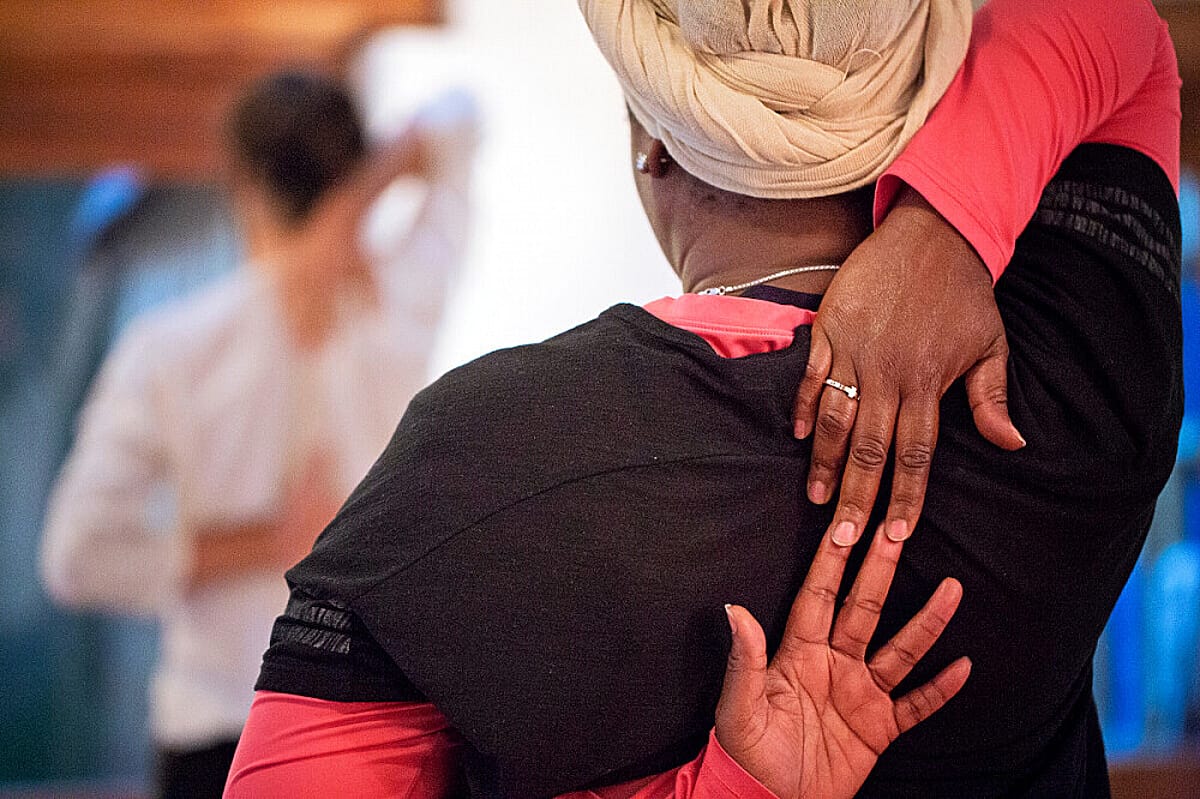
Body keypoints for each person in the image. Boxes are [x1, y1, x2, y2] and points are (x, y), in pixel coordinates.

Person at [228, 0, 1182, 796]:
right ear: (919, 111)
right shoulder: (1071, 402)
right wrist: (947, 222)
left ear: (653, 139)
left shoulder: (471, 457)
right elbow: (1115, 25)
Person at [40, 71, 478, 798]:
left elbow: (75, 559)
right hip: (368, 740)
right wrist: (362, 195)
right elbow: (461, 117)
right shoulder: (399, 303)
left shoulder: (171, 348)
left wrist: (266, 543)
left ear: (243, 186)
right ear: (356, 170)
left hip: (219, 742)